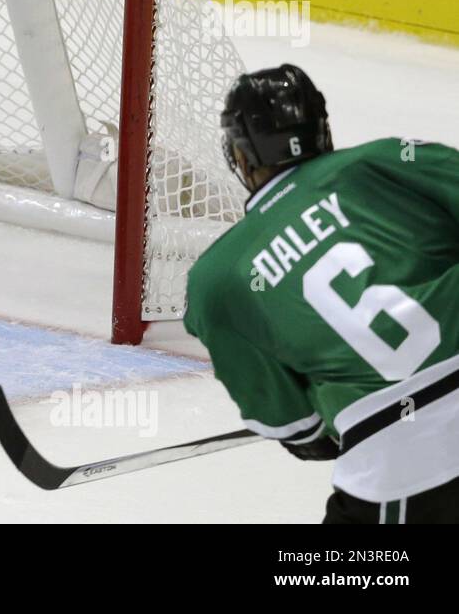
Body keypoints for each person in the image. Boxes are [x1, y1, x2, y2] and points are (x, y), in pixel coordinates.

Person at [185, 64, 459, 523]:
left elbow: (297, 429)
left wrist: (314, 430)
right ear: (321, 130)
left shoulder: (217, 279)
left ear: (242, 157)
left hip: (412, 463)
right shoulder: (390, 160)